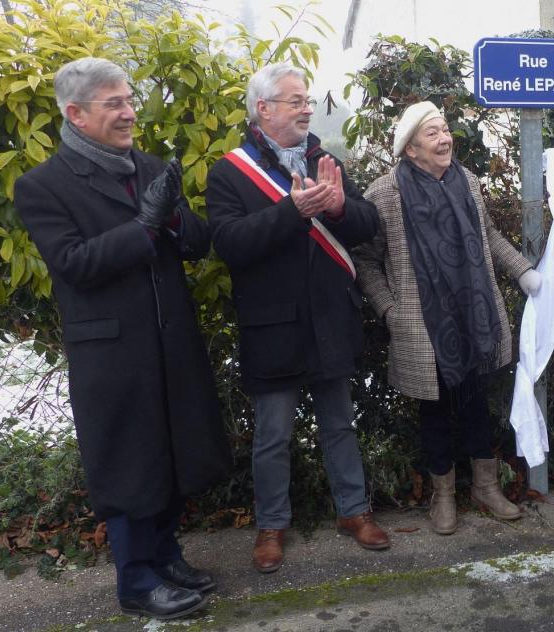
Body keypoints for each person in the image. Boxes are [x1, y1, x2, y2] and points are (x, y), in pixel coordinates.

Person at [14, 57, 229, 620]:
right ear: (76, 114)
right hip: (111, 350)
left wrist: (176, 218)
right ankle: (136, 581)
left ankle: (165, 553)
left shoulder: (149, 166)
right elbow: (74, 263)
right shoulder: (42, 186)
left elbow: (197, 243)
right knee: (129, 462)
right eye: (115, 104)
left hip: (169, 339)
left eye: (130, 100)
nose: (130, 112)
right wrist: (144, 226)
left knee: (172, 452)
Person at [205, 63, 387, 573]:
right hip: (273, 325)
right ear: (264, 109)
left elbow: (366, 224)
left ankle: (353, 512)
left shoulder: (324, 160)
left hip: (329, 319)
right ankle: (271, 526)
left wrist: (334, 208)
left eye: (307, 100)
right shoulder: (229, 171)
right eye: (296, 101)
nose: (308, 108)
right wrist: (293, 211)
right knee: (272, 437)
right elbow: (230, 245)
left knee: (340, 426)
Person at [353, 101, 541, 536]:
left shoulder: (468, 182)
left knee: (477, 403)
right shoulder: (385, 192)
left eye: (445, 130)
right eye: (433, 133)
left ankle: (485, 488)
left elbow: (488, 235)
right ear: (412, 149)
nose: (445, 139)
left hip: (473, 313)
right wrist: (389, 310)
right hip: (423, 322)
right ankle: (443, 496)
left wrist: (523, 271)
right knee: (434, 411)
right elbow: (365, 260)